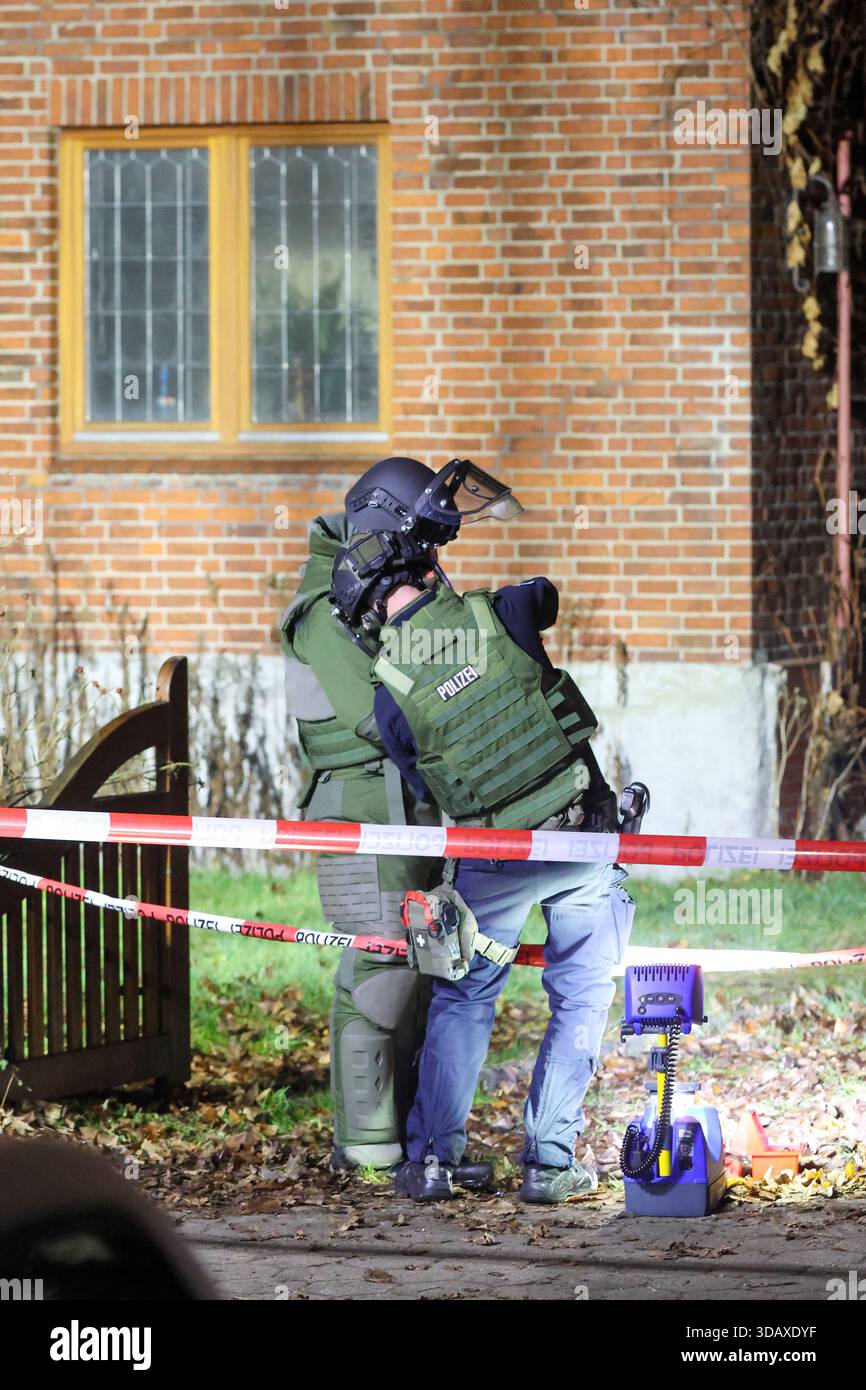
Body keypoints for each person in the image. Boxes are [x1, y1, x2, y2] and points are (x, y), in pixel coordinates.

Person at [330, 458, 636, 1204]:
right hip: (579, 840)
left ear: (368, 614)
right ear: (426, 556)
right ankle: (550, 1162)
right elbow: (547, 598)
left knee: (466, 999)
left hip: (493, 859)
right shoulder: (503, 612)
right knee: (580, 998)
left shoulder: (390, 696)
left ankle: (434, 1162)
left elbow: (422, 775)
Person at [281, 476, 498, 1186]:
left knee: (426, 971)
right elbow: (377, 714)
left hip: (410, 806)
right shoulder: (323, 613)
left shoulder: (374, 588)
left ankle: (413, 1139)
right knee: (380, 975)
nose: (429, 560)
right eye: (421, 541)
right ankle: (369, 1147)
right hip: (360, 814)